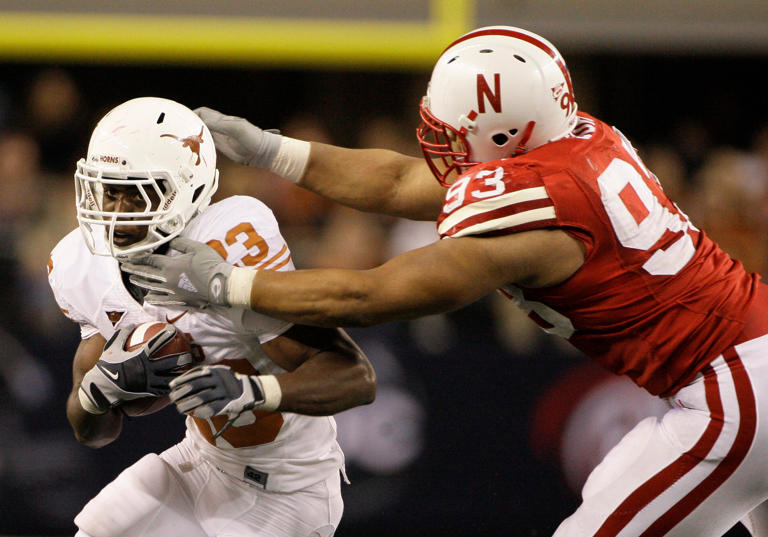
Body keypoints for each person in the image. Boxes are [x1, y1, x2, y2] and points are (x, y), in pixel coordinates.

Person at [123, 27, 768, 536]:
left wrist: (227, 286)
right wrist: (269, 148)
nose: (439, 142)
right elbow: (398, 181)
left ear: (507, 133)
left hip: (732, 393)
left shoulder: (535, 214)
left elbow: (370, 296)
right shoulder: (573, 144)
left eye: (455, 131)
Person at [47, 97, 376, 537]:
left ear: (189, 189)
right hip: (201, 462)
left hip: (288, 491)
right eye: (110, 190)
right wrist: (97, 392)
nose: (120, 211)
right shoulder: (79, 265)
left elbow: (354, 377)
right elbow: (91, 431)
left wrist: (253, 391)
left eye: (141, 192)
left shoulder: (227, 246)